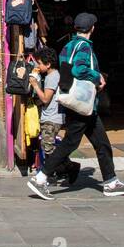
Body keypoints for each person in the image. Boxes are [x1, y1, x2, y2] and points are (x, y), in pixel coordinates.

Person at [27, 13, 124, 199]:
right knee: (70, 143)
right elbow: (79, 69)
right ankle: (41, 178)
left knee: (102, 144)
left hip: (78, 103)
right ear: (92, 28)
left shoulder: (68, 45)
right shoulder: (84, 46)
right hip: (82, 104)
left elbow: (68, 71)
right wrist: (97, 76)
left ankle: (110, 182)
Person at [27, 45, 80, 187]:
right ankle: (62, 170)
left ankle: (68, 168)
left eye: (39, 63)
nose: (37, 66)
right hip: (51, 116)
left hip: (52, 118)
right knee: (47, 146)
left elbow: (45, 99)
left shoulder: (52, 77)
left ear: (48, 64)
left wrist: (35, 85)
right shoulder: (52, 75)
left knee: (48, 148)